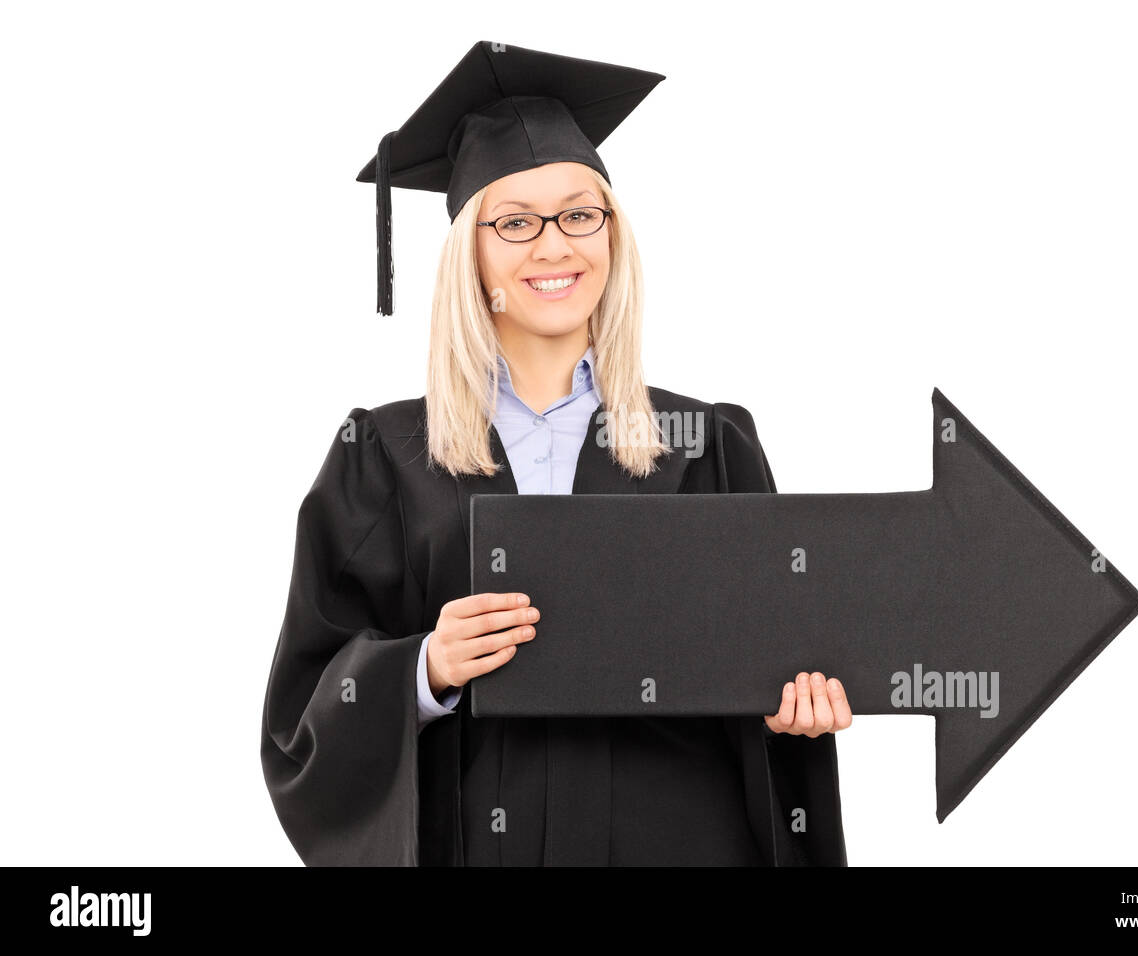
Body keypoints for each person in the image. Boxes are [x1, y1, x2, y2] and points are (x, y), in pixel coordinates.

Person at [260, 40, 852, 866]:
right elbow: (305, 707)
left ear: (612, 236)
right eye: (515, 222)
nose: (554, 246)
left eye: (581, 213)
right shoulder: (385, 456)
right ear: (471, 251)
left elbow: (776, 659)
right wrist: (425, 671)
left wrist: (794, 705)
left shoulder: (708, 444)